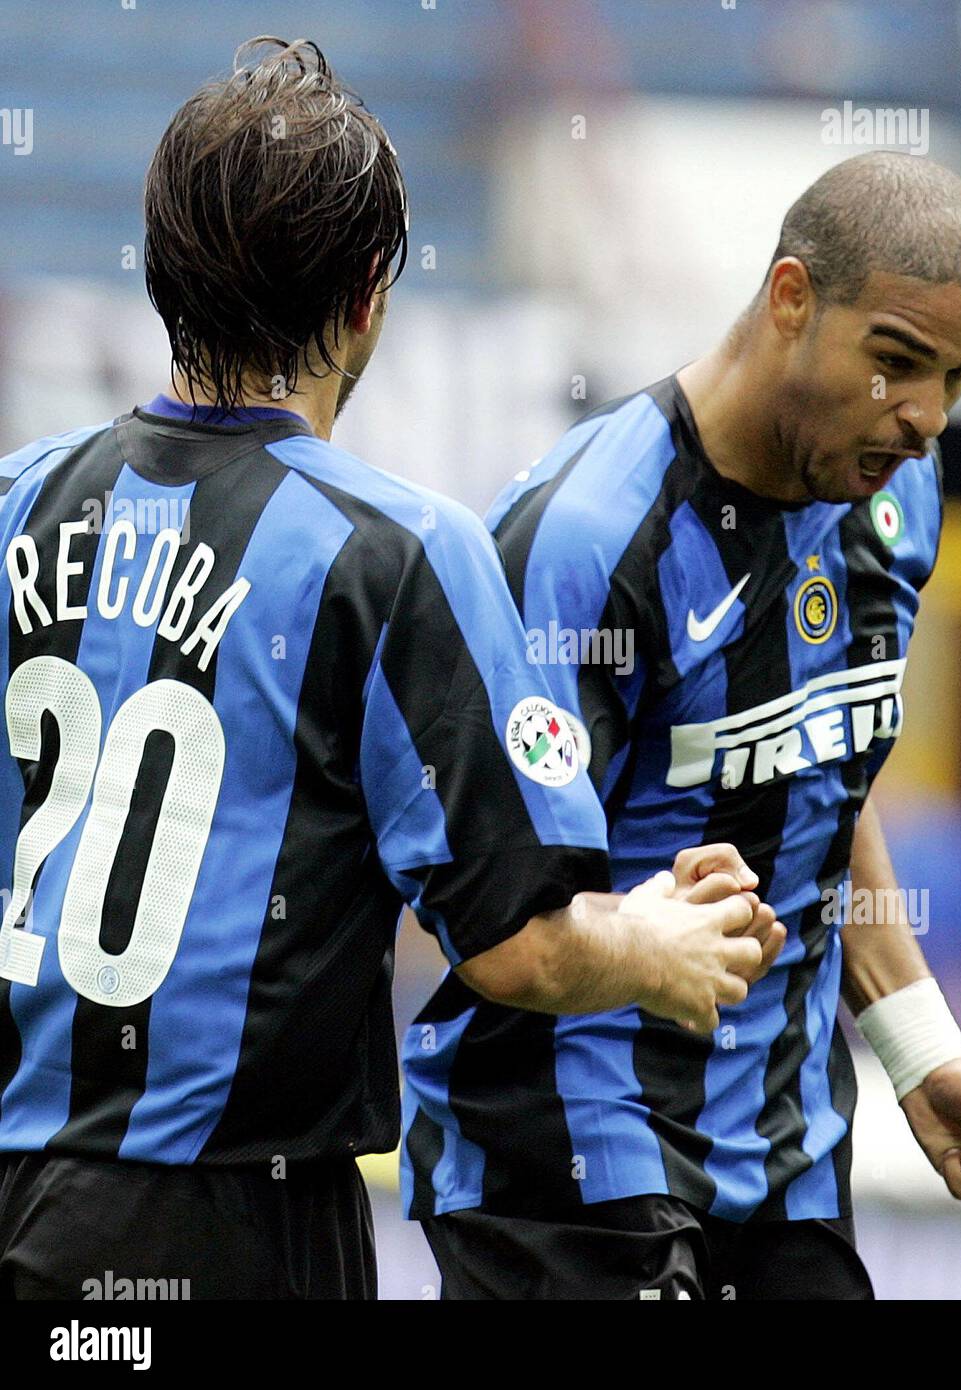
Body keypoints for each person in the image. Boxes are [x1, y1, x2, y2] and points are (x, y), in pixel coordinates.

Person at [0, 37, 780, 1301]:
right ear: (371, 292)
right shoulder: (395, 549)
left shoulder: (18, 502)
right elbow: (515, 946)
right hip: (230, 1221)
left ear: (158, 275)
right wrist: (654, 946)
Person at [403, 152, 961, 1300]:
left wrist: (918, 1052)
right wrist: (643, 950)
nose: (923, 417)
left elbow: (820, 795)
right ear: (790, 299)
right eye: (895, 362)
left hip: (783, 1157)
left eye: (954, 378)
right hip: (571, 1161)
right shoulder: (588, 539)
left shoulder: (895, 498)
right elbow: (492, 912)